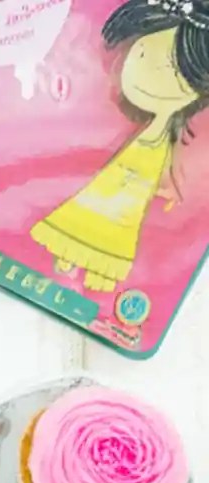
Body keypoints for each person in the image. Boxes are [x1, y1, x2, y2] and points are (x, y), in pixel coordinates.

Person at [32, 0, 209, 292]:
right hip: (115, 183)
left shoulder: (164, 137)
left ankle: (98, 273)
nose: (149, 76)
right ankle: (70, 257)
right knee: (91, 213)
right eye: (142, 53)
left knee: (116, 229)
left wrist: (167, 188)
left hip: (132, 197)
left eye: (174, 74)